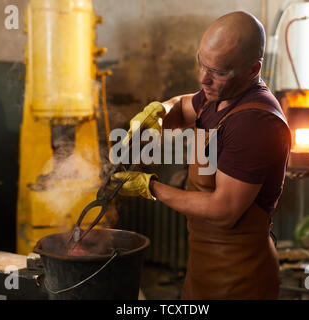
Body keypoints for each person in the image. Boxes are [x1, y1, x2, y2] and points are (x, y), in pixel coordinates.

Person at [107, 11, 291, 299]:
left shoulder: (255, 123)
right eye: (201, 64)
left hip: (240, 277)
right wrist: (158, 114)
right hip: (203, 267)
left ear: (253, 70)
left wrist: (150, 186)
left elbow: (224, 212)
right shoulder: (219, 93)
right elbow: (183, 105)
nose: (203, 79)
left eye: (217, 71)